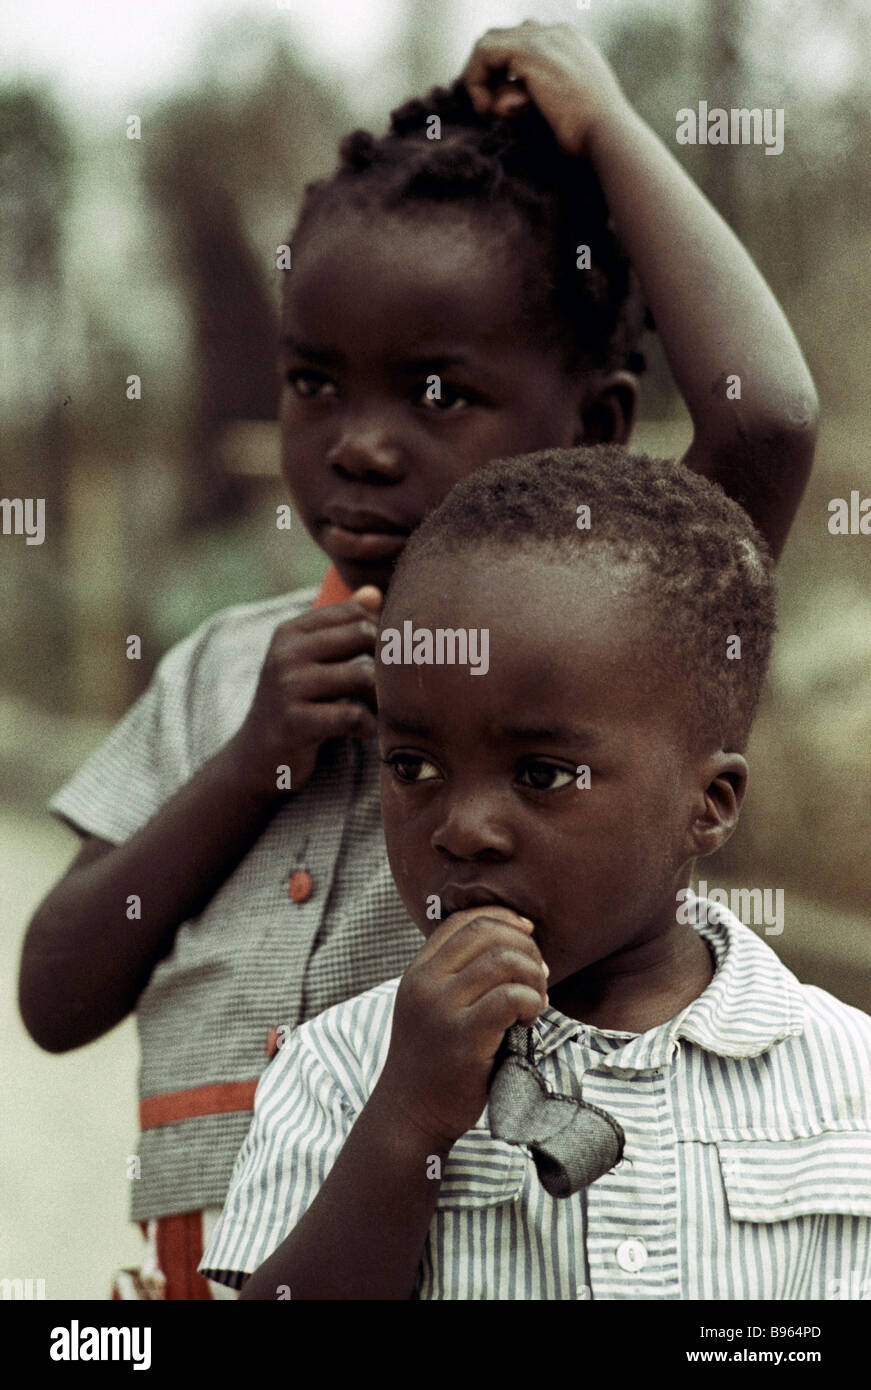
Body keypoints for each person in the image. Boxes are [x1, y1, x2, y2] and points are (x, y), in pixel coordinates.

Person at [18, 21, 818, 1298]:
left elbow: (765, 419)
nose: (361, 445)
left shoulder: (618, 639)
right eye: (313, 381)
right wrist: (250, 759)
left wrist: (609, 125)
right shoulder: (225, 666)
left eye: (437, 392)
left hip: (462, 1245)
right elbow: (56, 991)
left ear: (597, 425)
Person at [201, 448, 871, 1301]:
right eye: (412, 766)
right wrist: (407, 1123)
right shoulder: (340, 1070)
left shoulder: (845, 1079)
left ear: (708, 804)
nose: (464, 827)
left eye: (542, 774)